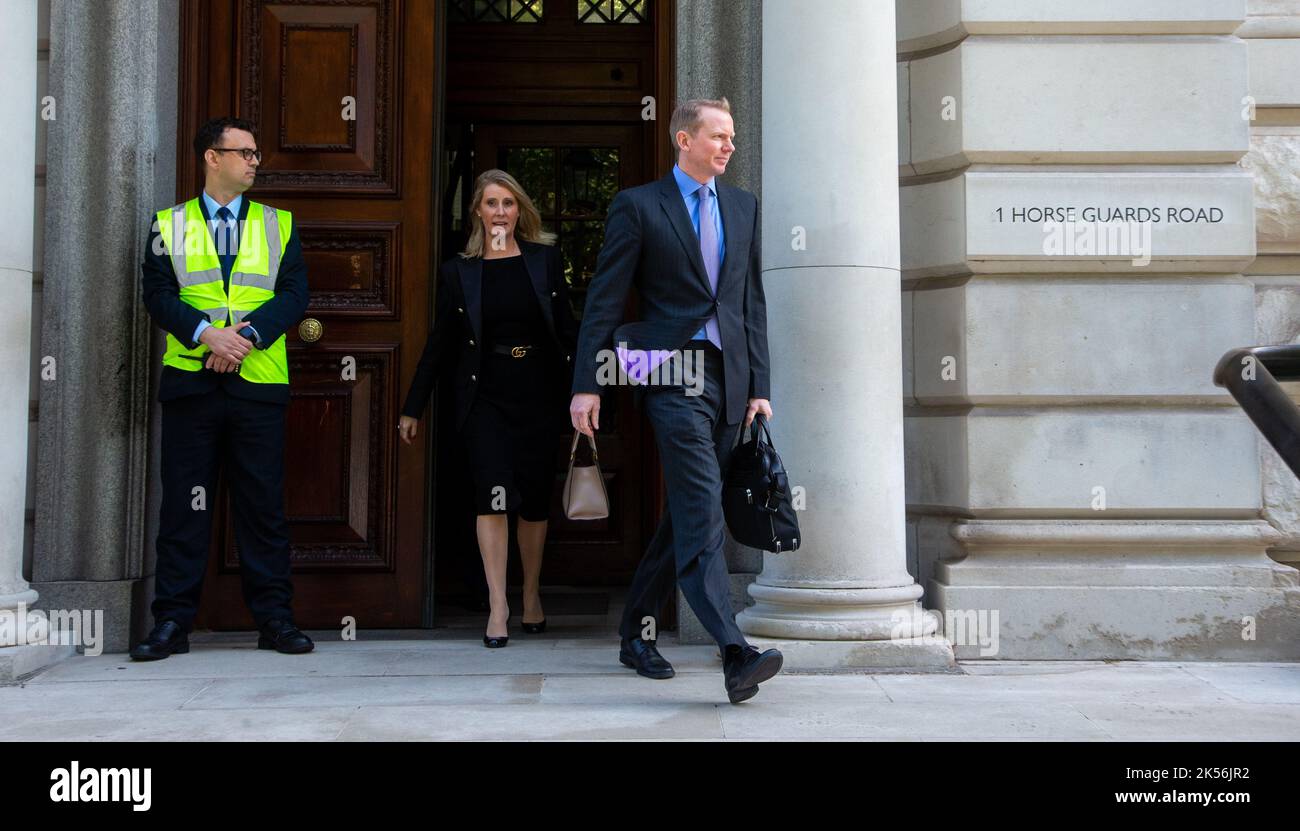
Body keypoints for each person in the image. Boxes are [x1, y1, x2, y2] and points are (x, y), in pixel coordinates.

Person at [570, 97, 783, 703]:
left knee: (686, 513)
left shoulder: (742, 207)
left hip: (729, 379)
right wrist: (589, 382)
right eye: (717, 136)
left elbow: (750, 304)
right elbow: (605, 301)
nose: (729, 147)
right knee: (701, 511)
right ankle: (733, 651)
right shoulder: (638, 206)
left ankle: (635, 630)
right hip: (671, 374)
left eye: (733, 138)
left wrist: (759, 387)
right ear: (683, 140)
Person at [133, 116, 312, 660]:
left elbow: (294, 293)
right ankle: (171, 624)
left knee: (262, 508)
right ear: (212, 157)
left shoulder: (277, 223)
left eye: (256, 153)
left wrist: (246, 339)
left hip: (256, 385)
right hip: (193, 384)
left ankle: (275, 621)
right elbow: (158, 293)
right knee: (184, 509)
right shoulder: (171, 223)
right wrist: (208, 334)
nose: (255, 161)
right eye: (245, 152)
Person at [400, 169, 578, 648]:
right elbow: (440, 344)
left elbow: (568, 331)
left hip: (538, 394)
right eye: (491, 203)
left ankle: (532, 594)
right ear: (477, 211)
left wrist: (589, 391)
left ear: (520, 210)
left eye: (509, 203)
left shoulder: (544, 261)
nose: (500, 211)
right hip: (484, 399)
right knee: (493, 495)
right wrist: (412, 407)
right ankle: (499, 604)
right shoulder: (459, 271)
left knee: (535, 500)